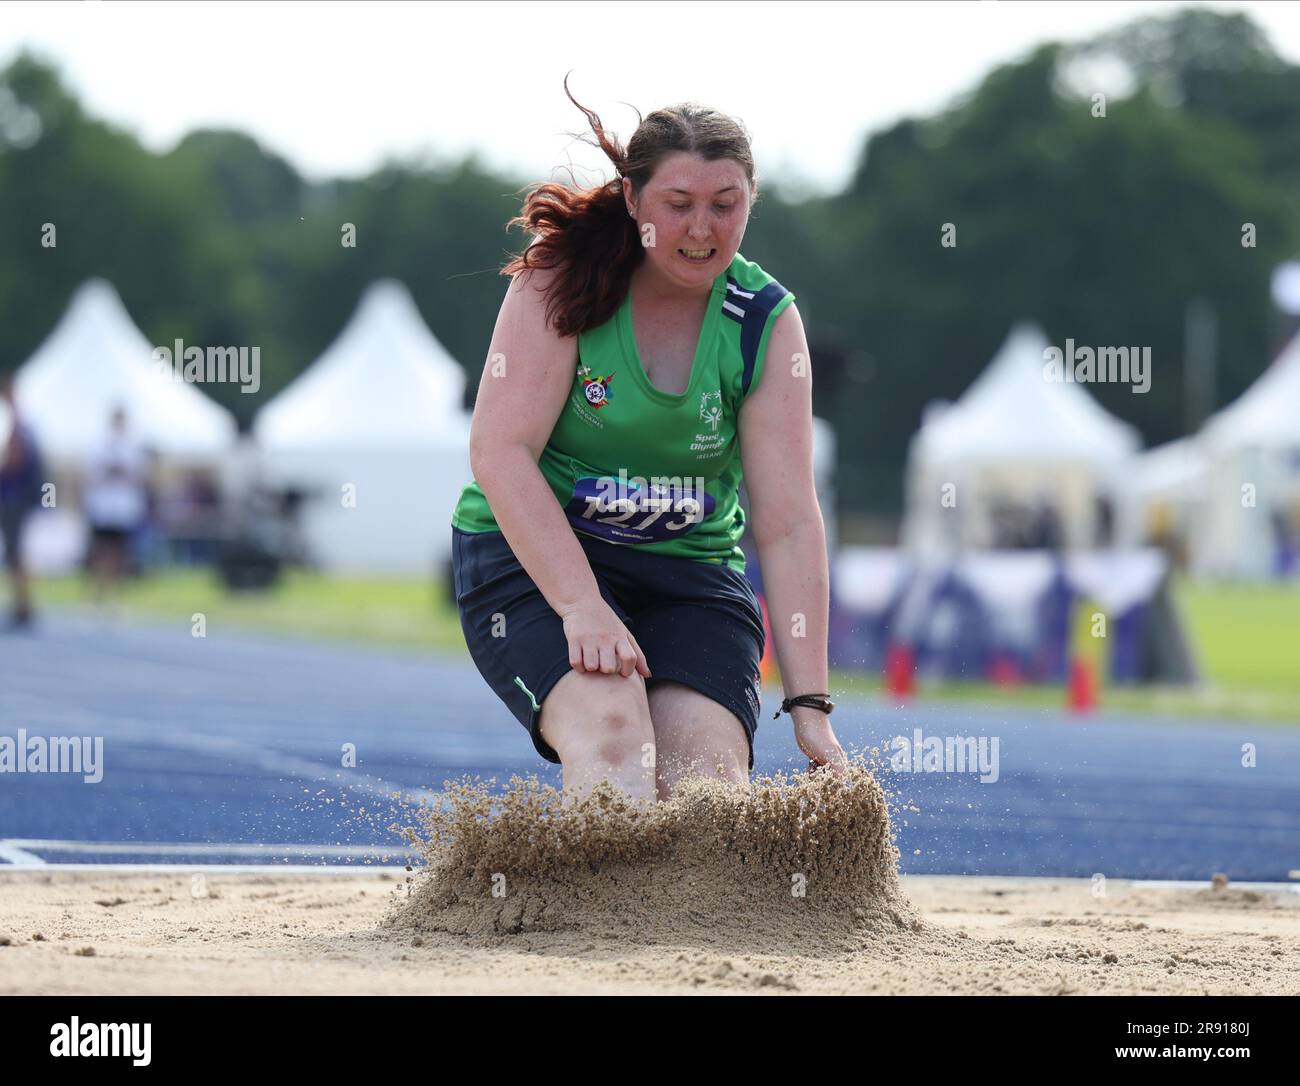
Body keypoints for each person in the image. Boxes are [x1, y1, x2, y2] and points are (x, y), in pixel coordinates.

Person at [450, 78, 848, 804]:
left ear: (750, 201)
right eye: (679, 205)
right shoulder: (559, 281)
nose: (702, 229)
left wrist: (810, 705)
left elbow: (788, 522)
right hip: (537, 560)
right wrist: (581, 605)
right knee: (612, 731)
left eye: (724, 205)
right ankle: (582, 912)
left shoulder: (765, 323)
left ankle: (672, 918)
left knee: (703, 788)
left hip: (686, 572)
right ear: (634, 201)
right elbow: (499, 453)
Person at [83, 405, 150, 604]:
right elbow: (90, 475)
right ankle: (97, 593)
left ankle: (113, 594)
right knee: (100, 551)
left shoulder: (132, 447)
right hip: (103, 509)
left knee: (119, 552)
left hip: (121, 510)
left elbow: (138, 477)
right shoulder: (99, 445)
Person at [0, 373, 44, 629]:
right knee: (16, 552)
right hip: (18, 497)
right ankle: (22, 604)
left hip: (13, 497)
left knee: (16, 553)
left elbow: (13, 462)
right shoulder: (23, 423)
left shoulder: (15, 424)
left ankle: (24, 605)